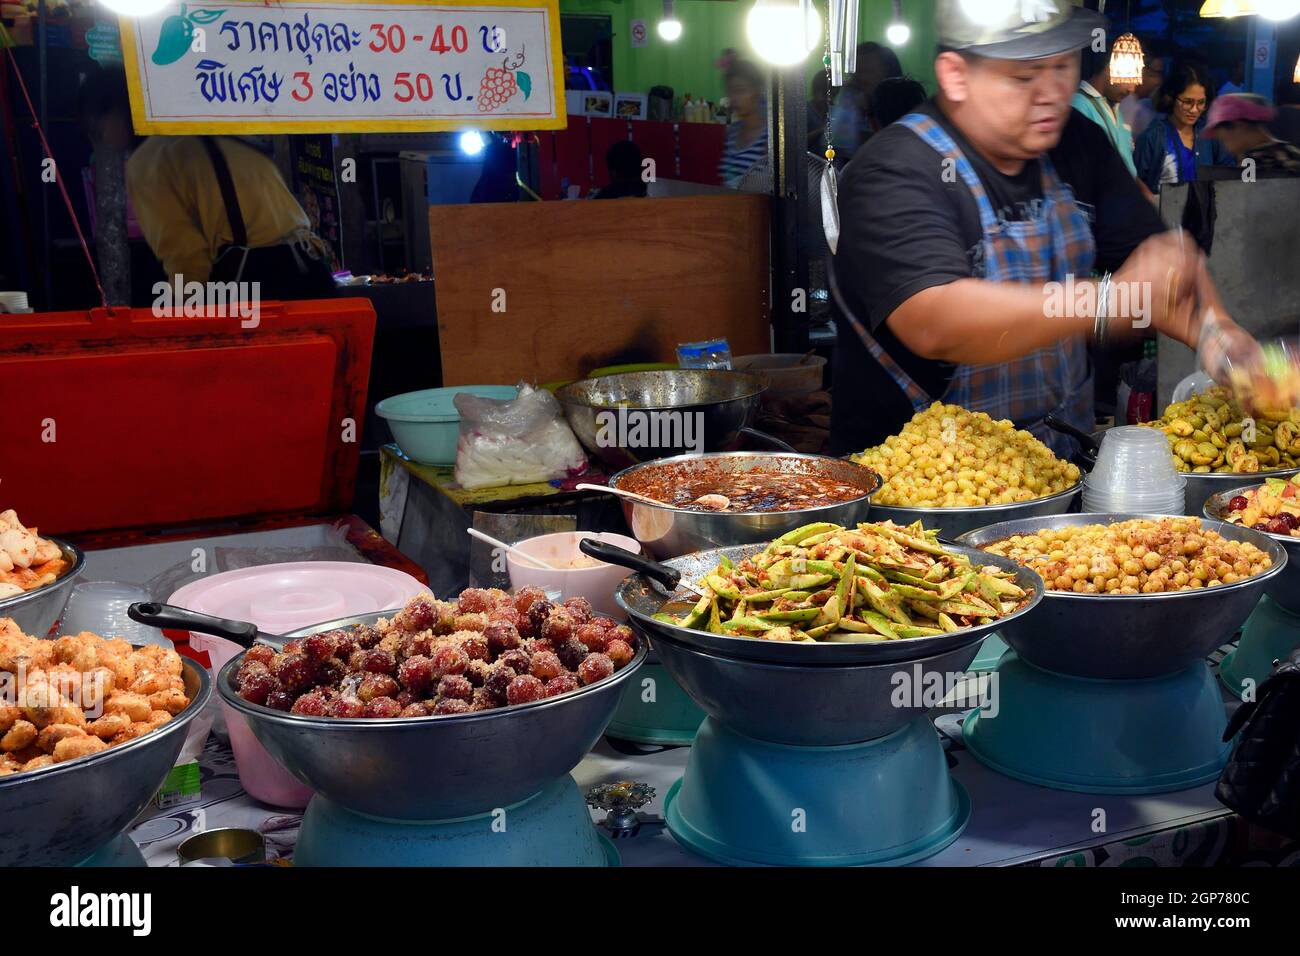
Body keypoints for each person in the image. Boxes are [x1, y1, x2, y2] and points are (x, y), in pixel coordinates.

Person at [829, 0, 1253, 456]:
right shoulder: (895, 169)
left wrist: (1219, 337)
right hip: (912, 499)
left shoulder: (1075, 142)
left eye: (1063, 66)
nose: (1051, 92)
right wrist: (1106, 300)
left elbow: (1164, 261)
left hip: (1058, 470)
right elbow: (934, 319)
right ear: (955, 75)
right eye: (1023, 76)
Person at [1134, 63, 1235, 193]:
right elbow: (1137, 183)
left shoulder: (1210, 134)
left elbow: (1226, 172)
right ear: (1171, 98)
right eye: (1187, 102)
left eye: (1200, 103)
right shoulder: (1153, 136)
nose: (1194, 110)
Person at [829, 42, 904, 162]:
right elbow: (837, 143)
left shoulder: (899, 97)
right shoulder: (849, 95)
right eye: (857, 72)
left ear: (886, 71)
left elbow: (900, 143)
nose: (861, 77)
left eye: (868, 71)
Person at [1071, 43, 1137, 176]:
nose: (1132, 89)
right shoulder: (1080, 106)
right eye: (1128, 77)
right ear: (1108, 69)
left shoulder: (1113, 105)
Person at [1203, 93, 1300, 178]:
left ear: (1239, 126)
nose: (1226, 147)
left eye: (1224, 139)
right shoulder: (1292, 152)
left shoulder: (1254, 161)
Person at [717, 55, 768, 188]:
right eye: (730, 92)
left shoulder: (769, 137)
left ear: (756, 92)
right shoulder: (732, 132)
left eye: (740, 91)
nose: (733, 98)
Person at [1119, 53, 1164, 139]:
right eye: (1154, 74)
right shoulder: (1124, 104)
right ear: (1141, 73)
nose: (1159, 82)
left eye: (1161, 75)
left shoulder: (1148, 104)